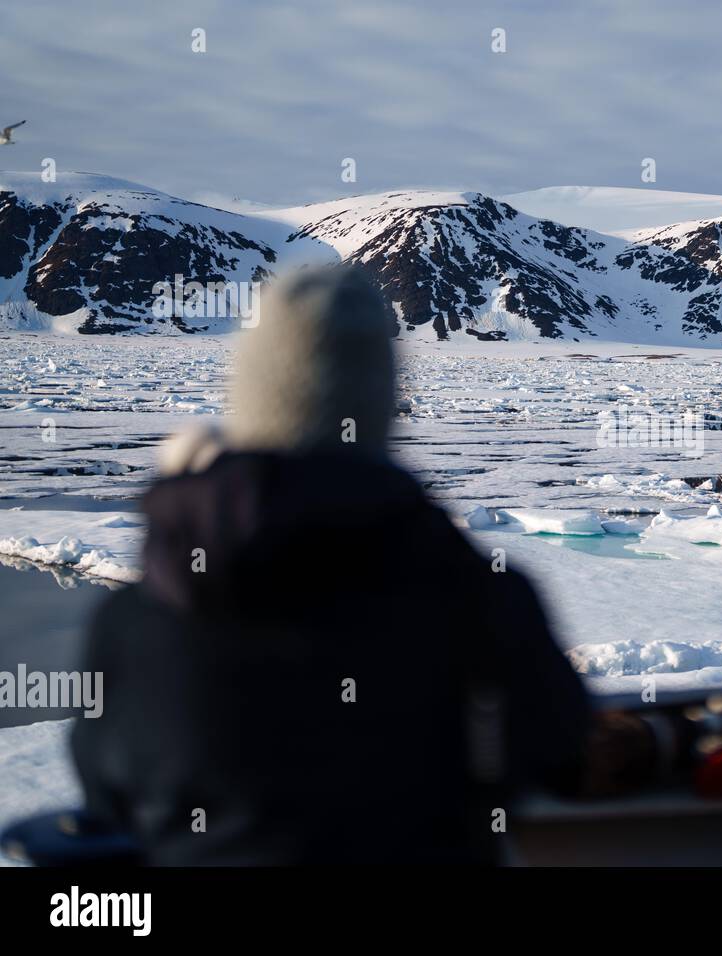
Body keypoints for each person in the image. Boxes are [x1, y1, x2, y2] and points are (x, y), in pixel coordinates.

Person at [71, 266, 590, 864]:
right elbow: (554, 752)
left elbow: (108, 796)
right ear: (382, 401)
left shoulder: (140, 614)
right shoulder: (480, 597)